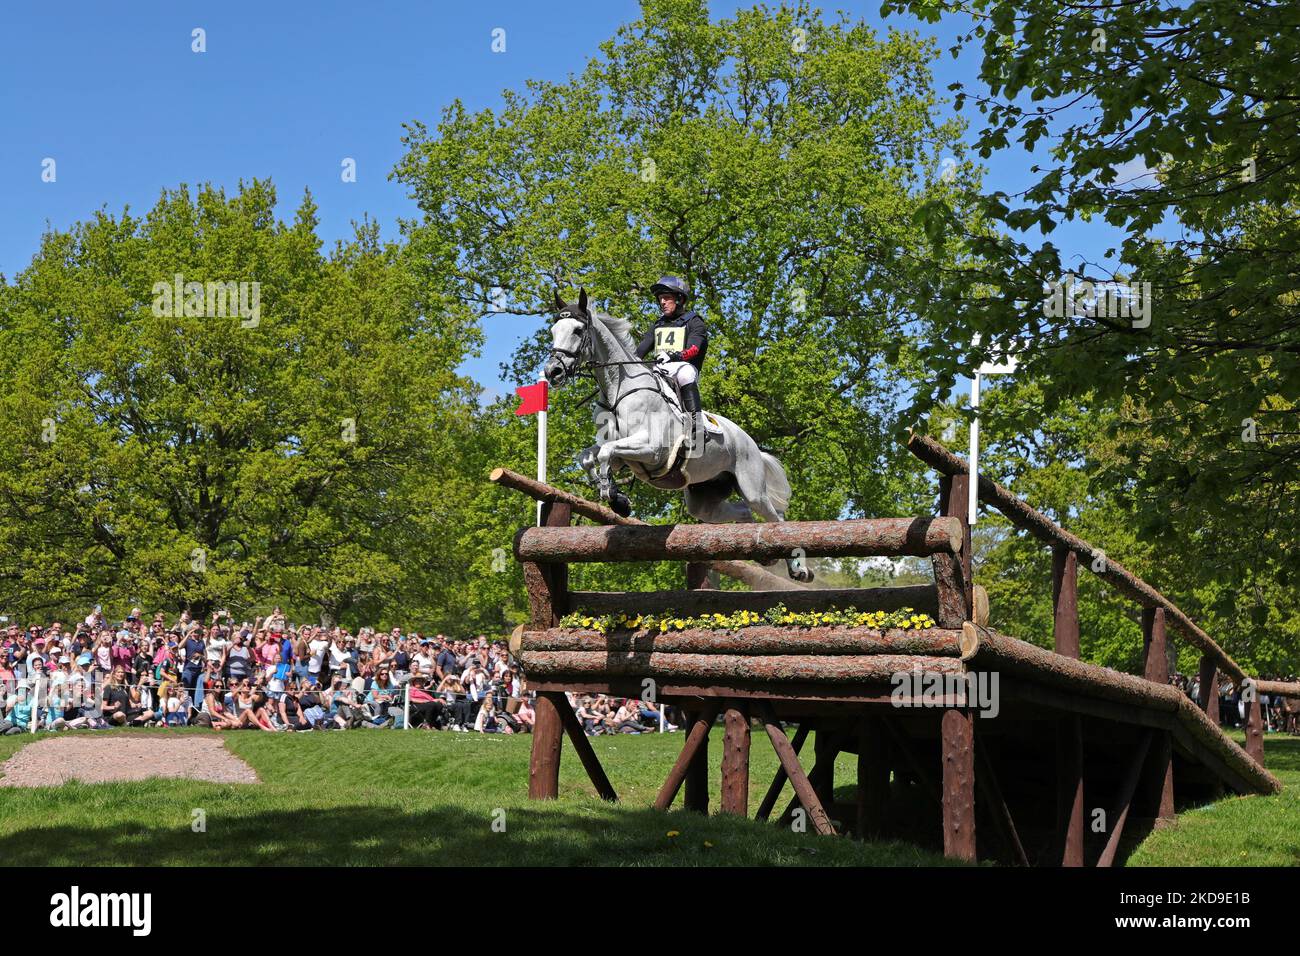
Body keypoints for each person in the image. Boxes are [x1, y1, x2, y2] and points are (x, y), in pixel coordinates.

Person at [634, 275, 710, 450]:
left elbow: (694, 349)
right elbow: (639, 353)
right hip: (659, 370)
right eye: (660, 299)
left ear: (679, 298)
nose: (662, 302)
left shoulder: (694, 321)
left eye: (666, 298)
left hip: (683, 367)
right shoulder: (657, 325)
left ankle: (696, 427)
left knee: (685, 373)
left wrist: (674, 356)